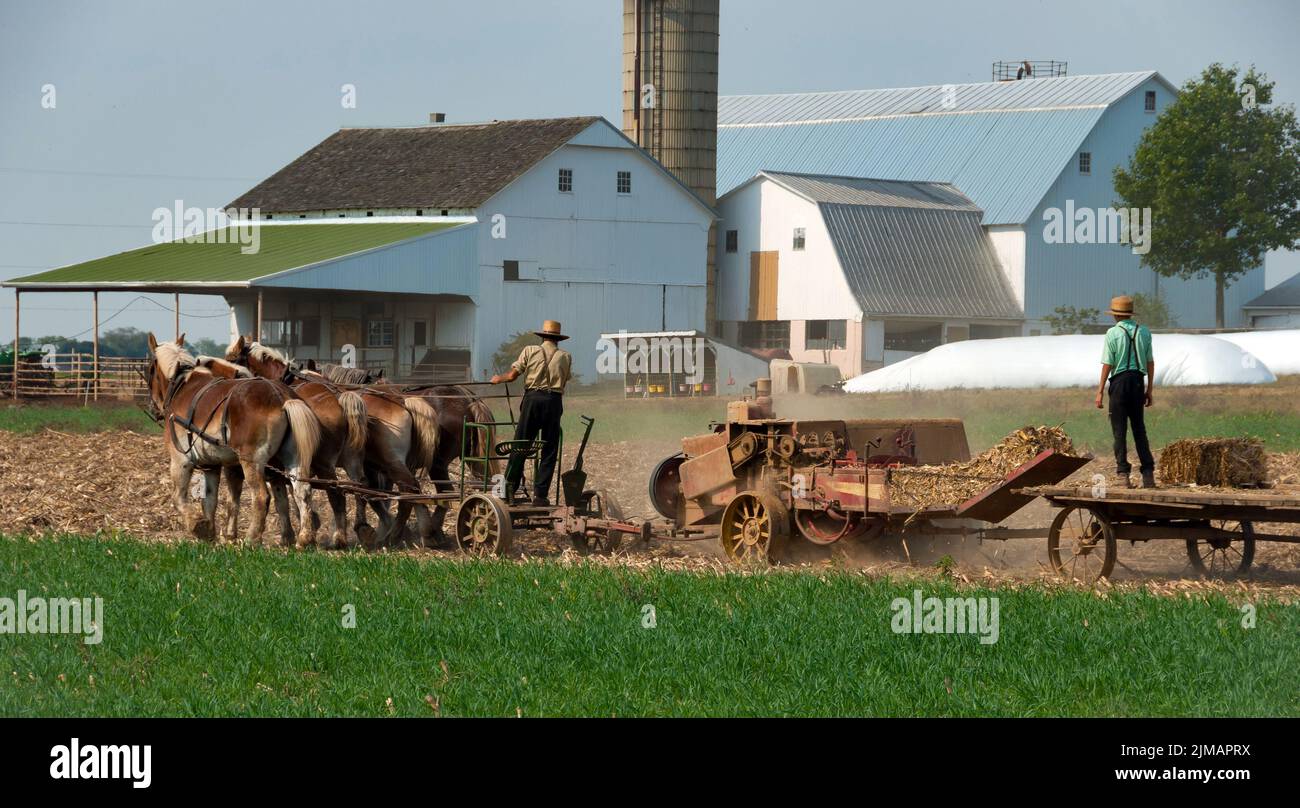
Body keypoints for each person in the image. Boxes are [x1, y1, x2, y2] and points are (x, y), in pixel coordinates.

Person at [490, 320, 573, 505]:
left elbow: (512, 376)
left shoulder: (530, 351)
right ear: (558, 339)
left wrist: (498, 378)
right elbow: (565, 382)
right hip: (554, 402)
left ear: (543, 336)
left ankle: (507, 489)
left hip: (533, 400)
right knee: (549, 449)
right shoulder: (565, 357)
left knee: (521, 444)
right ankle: (540, 496)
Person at [1095, 295, 1156, 488]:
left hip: (1120, 383)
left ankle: (1123, 474)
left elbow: (1108, 363)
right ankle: (1148, 472)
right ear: (1130, 314)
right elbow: (1150, 362)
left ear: (1115, 316)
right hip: (1138, 382)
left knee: (1119, 431)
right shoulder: (1144, 332)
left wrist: (1100, 391)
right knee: (1139, 429)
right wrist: (1149, 389)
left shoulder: (1112, 333)